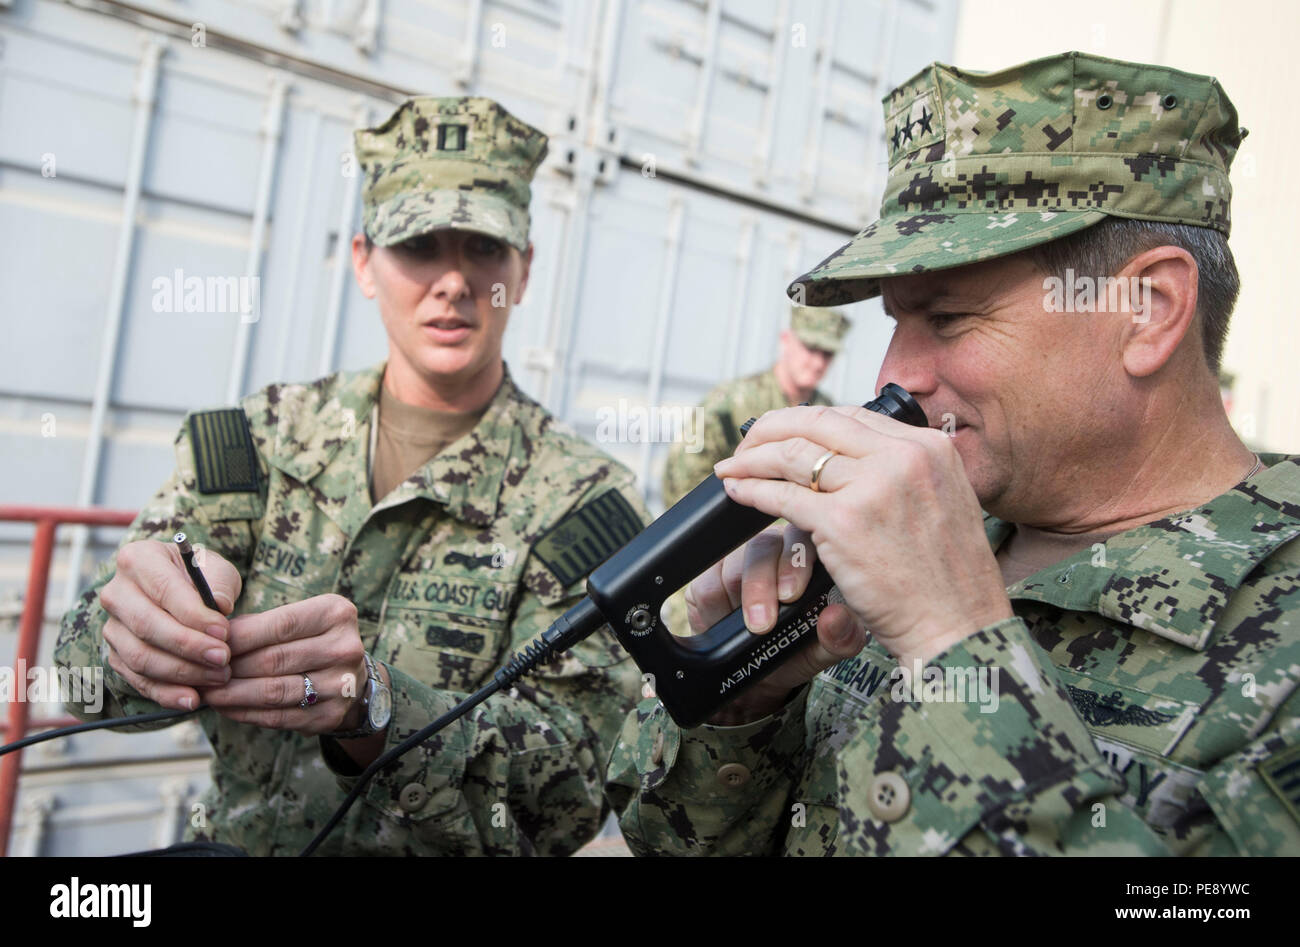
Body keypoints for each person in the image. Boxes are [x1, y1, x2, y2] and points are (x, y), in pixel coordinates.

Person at [608, 51, 1300, 856]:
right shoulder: (905, 532)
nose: (893, 375)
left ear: (1145, 309)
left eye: (951, 318)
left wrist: (950, 646)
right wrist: (741, 704)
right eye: (895, 323)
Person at [55, 96, 650, 856]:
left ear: (523, 271)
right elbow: (80, 690)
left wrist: (377, 709)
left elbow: (570, 797)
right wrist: (135, 636)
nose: (454, 282)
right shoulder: (261, 442)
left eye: (485, 248)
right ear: (366, 262)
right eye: (421, 246)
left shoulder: (581, 503)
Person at [660, 306, 851, 508]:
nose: (818, 363)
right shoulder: (731, 402)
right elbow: (680, 482)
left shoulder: (826, 413)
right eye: (810, 348)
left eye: (827, 354)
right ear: (786, 341)